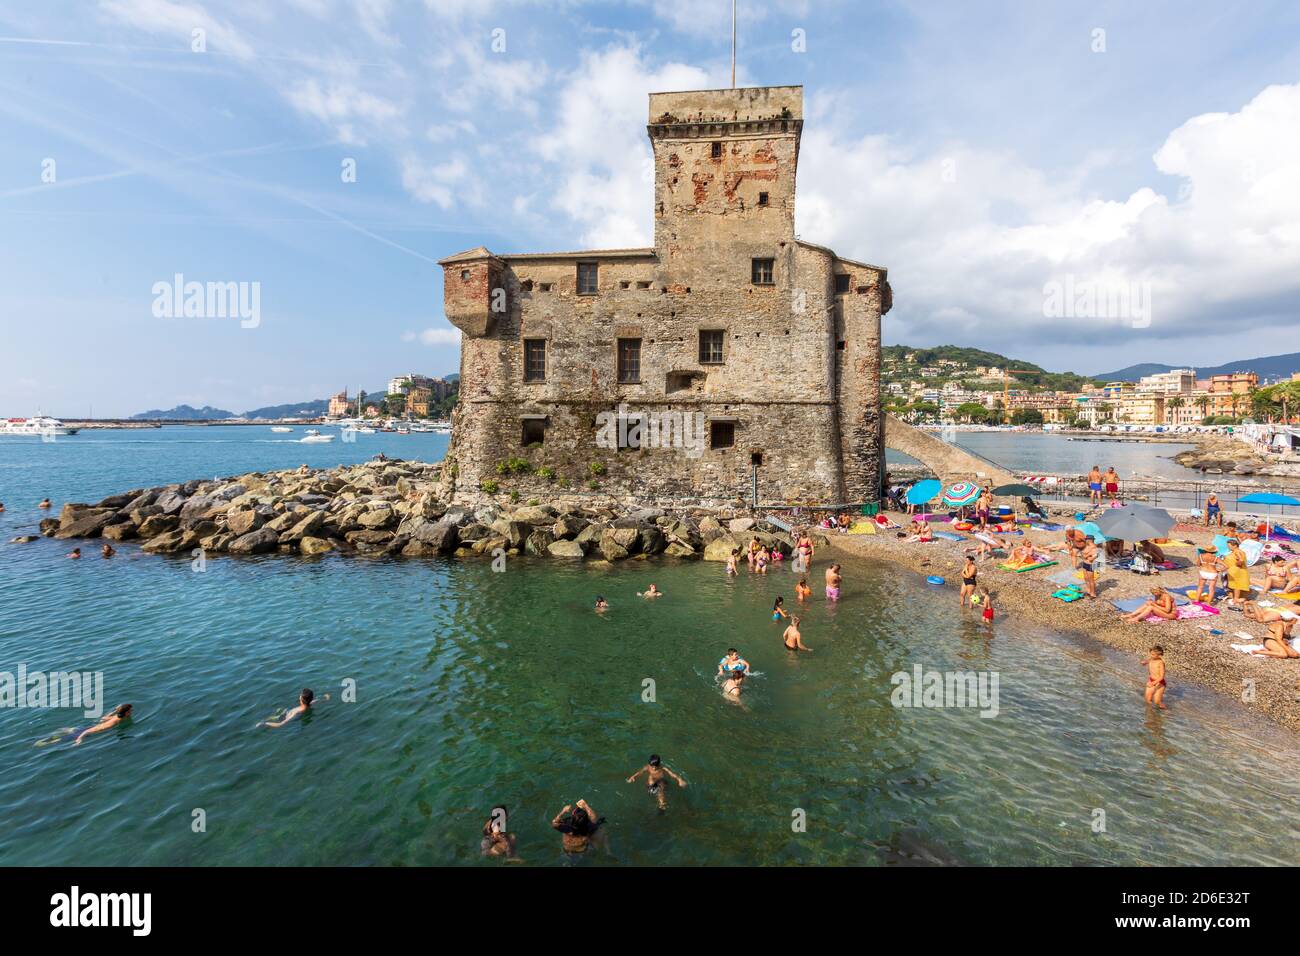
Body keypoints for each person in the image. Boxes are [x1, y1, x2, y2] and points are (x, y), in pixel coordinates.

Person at [259, 688, 329, 728]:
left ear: (301, 699)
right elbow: (325, 700)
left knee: (276, 715)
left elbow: (281, 724)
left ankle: (263, 722)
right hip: (290, 713)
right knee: (281, 710)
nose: (299, 696)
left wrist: (265, 723)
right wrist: (327, 696)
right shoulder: (312, 702)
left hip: (285, 717)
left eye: (300, 696)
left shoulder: (296, 712)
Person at [1224, 539, 1252, 608]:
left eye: (1229, 546)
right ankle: (1238, 598)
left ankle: (1236, 599)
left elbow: (1241, 560)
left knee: (1237, 585)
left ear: (1235, 545)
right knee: (1236, 586)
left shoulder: (1237, 551)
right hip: (1235, 571)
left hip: (1237, 571)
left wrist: (1237, 563)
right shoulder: (1235, 552)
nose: (1228, 547)